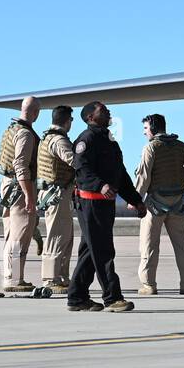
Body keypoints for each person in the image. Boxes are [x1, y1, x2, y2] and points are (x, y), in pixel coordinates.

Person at [68, 101, 145, 312]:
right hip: (90, 202)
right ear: (91, 117)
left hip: (105, 205)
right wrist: (99, 185)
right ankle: (112, 298)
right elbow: (82, 169)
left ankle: (77, 298)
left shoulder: (109, 140)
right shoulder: (86, 139)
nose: (109, 112)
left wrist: (135, 199)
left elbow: (120, 174)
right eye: (103, 110)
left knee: (89, 251)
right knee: (103, 250)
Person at [133, 114, 184, 295]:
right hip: (177, 203)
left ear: (153, 128)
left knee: (149, 245)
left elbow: (144, 177)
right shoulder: (181, 146)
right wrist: (178, 172)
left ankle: (149, 285)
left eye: (146, 128)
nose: (144, 132)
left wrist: (135, 199)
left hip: (155, 204)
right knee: (182, 247)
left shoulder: (151, 147)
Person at [0, 96, 41, 292]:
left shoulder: (11, 129)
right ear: (35, 113)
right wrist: (29, 195)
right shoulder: (26, 135)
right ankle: (14, 279)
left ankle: (9, 275)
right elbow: (21, 166)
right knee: (20, 233)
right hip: (18, 186)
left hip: (7, 184)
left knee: (10, 233)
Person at [36, 104, 78, 289]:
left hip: (56, 192)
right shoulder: (59, 141)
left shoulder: (47, 137)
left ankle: (60, 276)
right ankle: (51, 278)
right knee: (57, 236)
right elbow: (75, 162)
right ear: (67, 121)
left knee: (64, 236)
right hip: (57, 193)